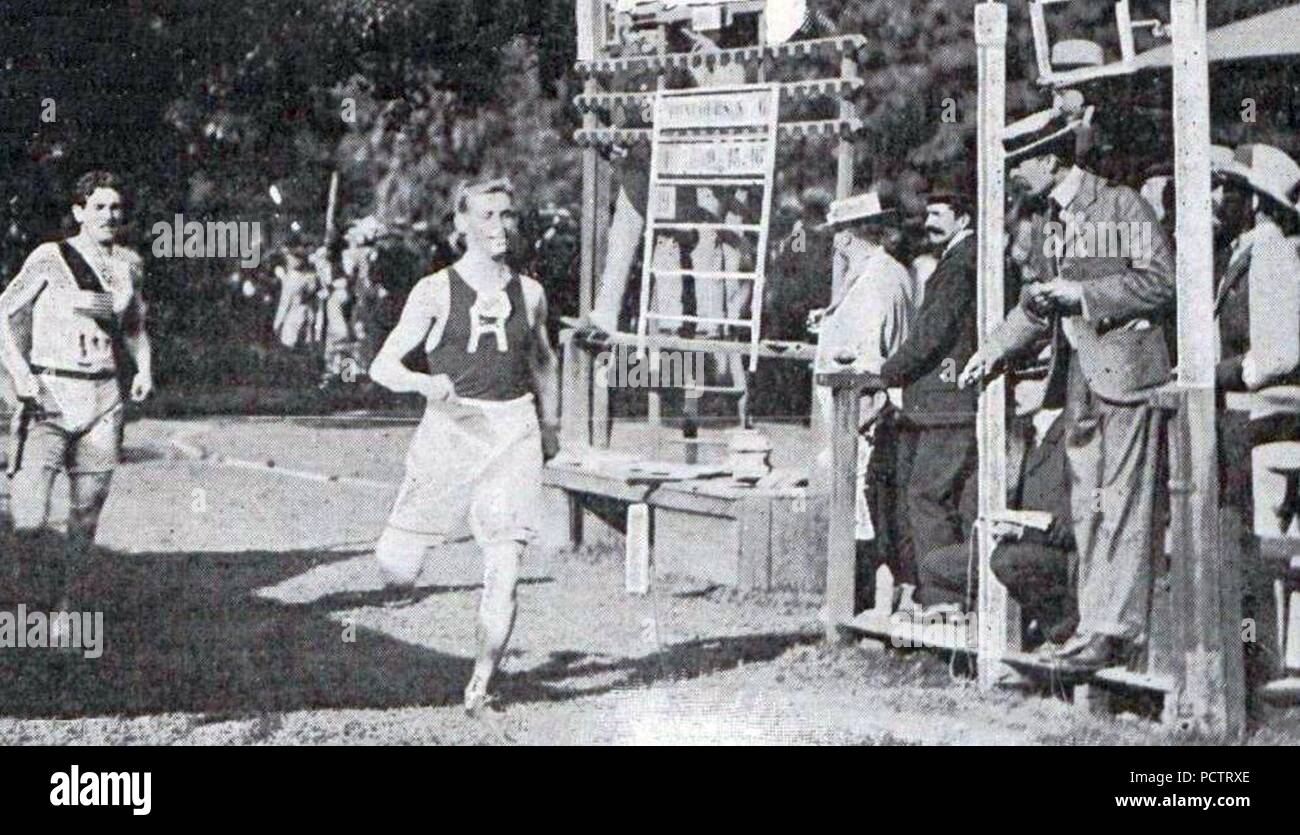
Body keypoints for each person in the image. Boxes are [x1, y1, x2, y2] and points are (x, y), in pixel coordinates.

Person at [960, 103, 1177, 670]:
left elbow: (1160, 281)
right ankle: (1089, 625)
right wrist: (991, 351)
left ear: (1051, 160)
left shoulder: (1121, 204)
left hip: (1128, 379)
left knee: (1123, 505)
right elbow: (1035, 305)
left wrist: (1081, 296)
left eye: (1021, 163)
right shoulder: (1049, 223)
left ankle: (1113, 630)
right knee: (1089, 506)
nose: (1011, 174)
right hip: (1079, 382)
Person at [367, 177, 560, 714]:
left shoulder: (531, 293)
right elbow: (383, 366)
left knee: (505, 564)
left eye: (508, 215)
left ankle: (480, 685)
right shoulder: (434, 291)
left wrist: (550, 427)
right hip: (451, 431)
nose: (500, 226)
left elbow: (544, 363)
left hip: (513, 430)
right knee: (397, 568)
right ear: (462, 225)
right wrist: (425, 383)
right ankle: (406, 551)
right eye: (488, 216)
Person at [0, 170, 153, 618]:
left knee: (85, 515)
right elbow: (2, 314)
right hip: (48, 395)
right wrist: (20, 374)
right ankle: (24, 605)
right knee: (29, 518)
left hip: (103, 397)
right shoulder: (51, 257)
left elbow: (135, 326)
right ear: (79, 212)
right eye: (99, 207)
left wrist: (144, 367)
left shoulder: (129, 265)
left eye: (115, 208)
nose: (109, 215)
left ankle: (68, 605)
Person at [808, 190, 915, 612]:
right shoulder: (878, 273)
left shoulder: (878, 281)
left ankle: (853, 604)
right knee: (864, 511)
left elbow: (870, 357)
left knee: (863, 513)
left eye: (836, 234)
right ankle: (858, 600)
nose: (834, 243)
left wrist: (857, 426)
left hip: (865, 415)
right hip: (861, 414)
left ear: (846, 237)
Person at [878, 179, 980, 608]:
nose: (929, 222)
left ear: (964, 218)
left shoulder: (959, 265)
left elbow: (933, 333)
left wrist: (889, 371)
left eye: (939, 214)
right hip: (950, 397)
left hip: (945, 400)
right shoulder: (964, 259)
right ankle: (948, 592)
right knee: (947, 496)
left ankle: (943, 597)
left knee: (926, 495)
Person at [916, 381, 1077, 651]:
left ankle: (1060, 633)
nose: (1014, 389)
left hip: (1053, 550)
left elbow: (1076, 518)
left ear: (1050, 385)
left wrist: (1025, 531)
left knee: (1007, 561)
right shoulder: (1019, 435)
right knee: (935, 563)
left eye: (1028, 381)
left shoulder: (1072, 435)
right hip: (1013, 541)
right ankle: (955, 634)